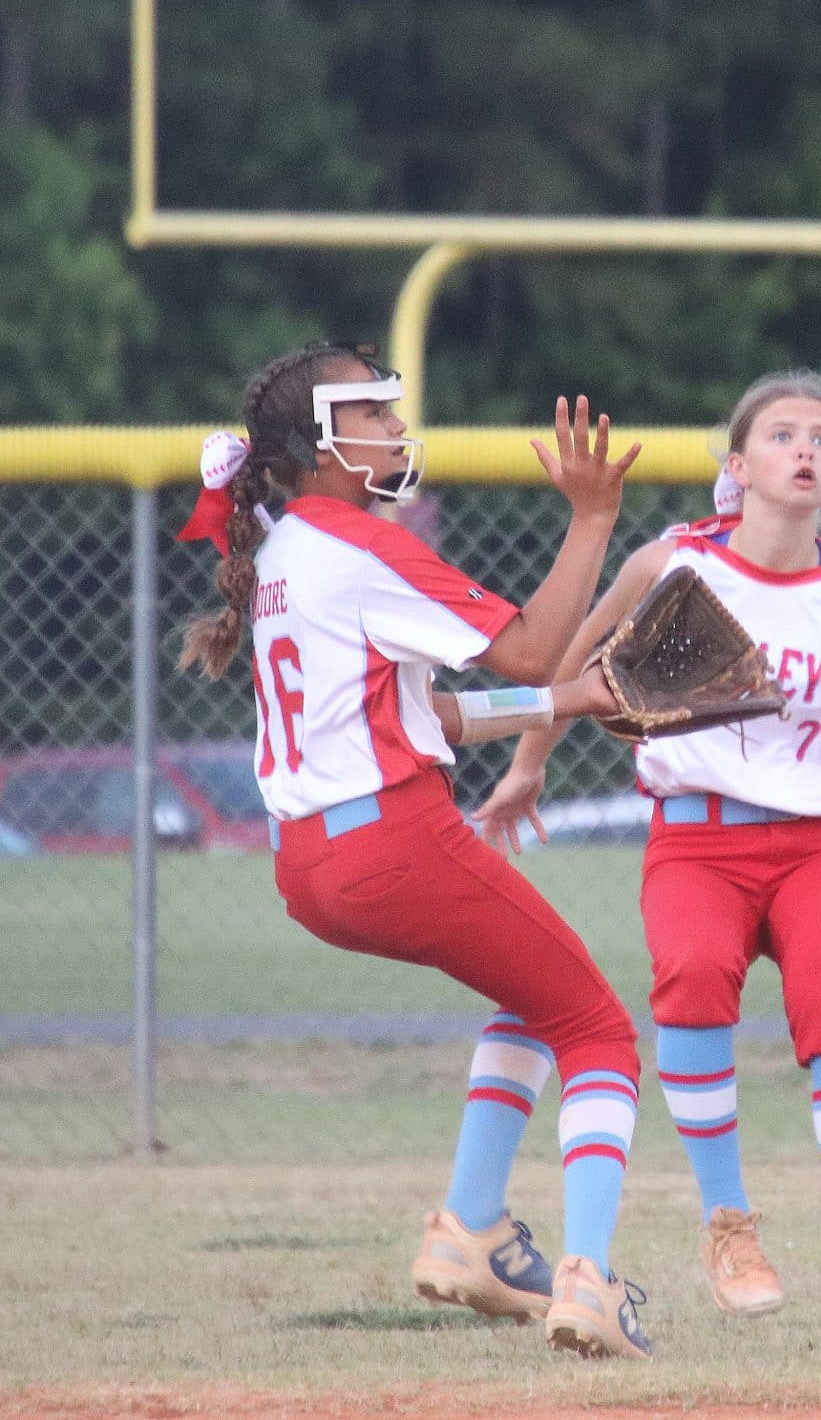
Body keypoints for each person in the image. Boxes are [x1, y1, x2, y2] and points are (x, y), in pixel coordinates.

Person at [177, 341, 655, 1361]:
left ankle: (471, 1229)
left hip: (310, 863)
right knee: (600, 1026)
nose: (397, 429)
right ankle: (589, 1279)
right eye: (376, 414)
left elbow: (415, 709)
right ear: (325, 441)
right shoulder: (356, 541)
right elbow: (526, 641)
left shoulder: (288, 550)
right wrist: (593, 517)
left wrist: (564, 701)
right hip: (392, 839)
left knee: (533, 997)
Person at [477, 368, 821, 1326]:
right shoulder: (676, 564)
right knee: (693, 980)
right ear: (738, 465)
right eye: (782, 434)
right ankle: (728, 1224)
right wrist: (529, 762)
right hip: (699, 838)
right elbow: (576, 662)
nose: (806, 449)